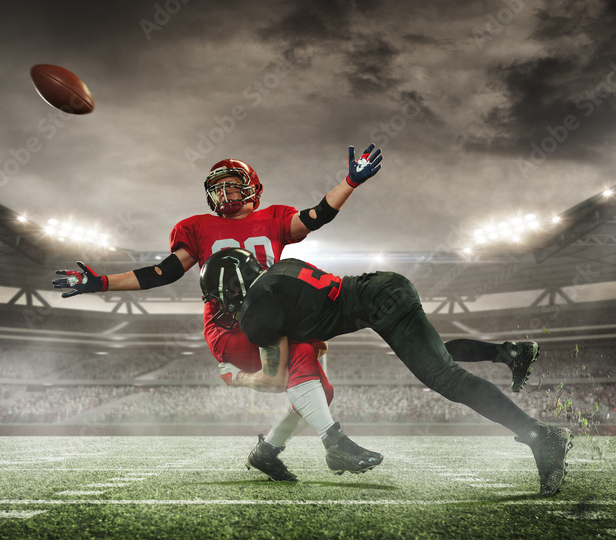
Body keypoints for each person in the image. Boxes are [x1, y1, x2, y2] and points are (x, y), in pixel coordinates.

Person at [52, 145, 385, 480]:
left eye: (232, 184)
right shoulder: (196, 227)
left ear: (252, 185)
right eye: (218, 187)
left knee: (320, 393)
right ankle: (334, 444)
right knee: (300, 357)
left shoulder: (275, 217)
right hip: (230, 325)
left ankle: (267, 452)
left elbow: (317, 215)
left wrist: (349, 182)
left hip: (274, 317)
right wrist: (102, 283)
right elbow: (162, 273)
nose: (225, 192)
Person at [200, 248, 572, 496]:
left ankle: (540, 436)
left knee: (445, 378)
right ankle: (509, 353)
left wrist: (237, 377)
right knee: (436, 359)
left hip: (380, 306)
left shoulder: (255, 310)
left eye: (219, 297)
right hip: (382, 287)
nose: (222, 306)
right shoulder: (282, 269)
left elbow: (276, 378)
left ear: (231, 288)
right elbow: (315, 320)